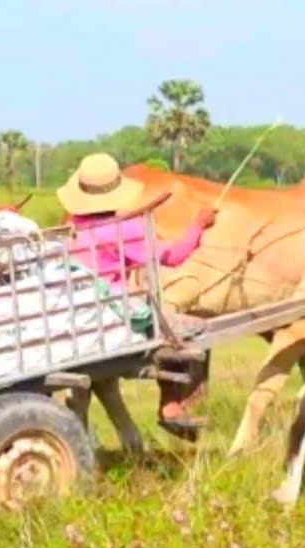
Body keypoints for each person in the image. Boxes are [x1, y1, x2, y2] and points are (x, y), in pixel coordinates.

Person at [54, 152, 217, 441]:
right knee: (190, 329)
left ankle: (117, 441)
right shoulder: (123, 229)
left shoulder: (70, 227)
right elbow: (173, 256)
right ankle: (171, 404)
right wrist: (198, 225)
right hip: (108, 317)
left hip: (72, 313)